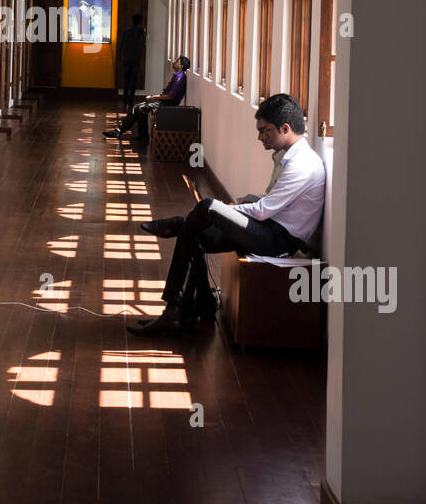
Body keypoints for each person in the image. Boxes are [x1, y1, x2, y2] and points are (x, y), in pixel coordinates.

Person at [126, 93, 326, 336]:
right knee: (194, 236)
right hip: (269, 229)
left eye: (266, 131)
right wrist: (240, 205)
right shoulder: (293, 159)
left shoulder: (302, 165)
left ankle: (183, 301)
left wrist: (228, 209)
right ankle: (187, 310)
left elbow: (264, 212)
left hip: (276, 240)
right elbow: (272, 204)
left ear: (285, 128)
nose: (260, 137)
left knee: (209, 207)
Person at [103, 55, 190, 142]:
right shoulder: (177, 76)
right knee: (137, 108)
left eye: (177, 61)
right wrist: (155, 97)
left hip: (169, 103)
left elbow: (170, 96)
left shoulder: (180, 78)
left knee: (139, 108)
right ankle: (136, 134)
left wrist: (153, 97)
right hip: (165, 101)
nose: (174, 61)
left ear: (181, 66)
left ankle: (123, 132)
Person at [118, 13, 147, 108]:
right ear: (140, 21)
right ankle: (130, 103)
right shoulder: (141, 31)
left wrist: (123, 56)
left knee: (126, 81)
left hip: (126, 58)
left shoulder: (126, 31)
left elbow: (121, 45)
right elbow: (142, 45)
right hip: (135, 59)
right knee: (133, 82)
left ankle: (124, 102)